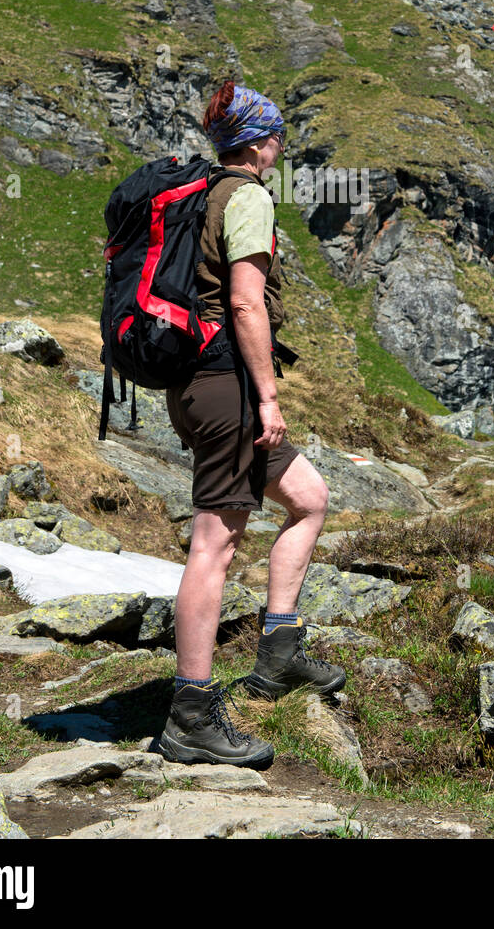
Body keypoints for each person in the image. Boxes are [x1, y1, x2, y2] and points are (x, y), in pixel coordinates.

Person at [157, 81, 345, 769]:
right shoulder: (246, 197)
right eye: (277, 139)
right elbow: (244, 305)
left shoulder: (193, 192)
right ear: (259, 143)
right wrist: (267, 397)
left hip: (196, 383)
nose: (279, 150)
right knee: (214, 545)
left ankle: (279, 655)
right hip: (225, 386)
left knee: (308, 497)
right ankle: (190, 715)